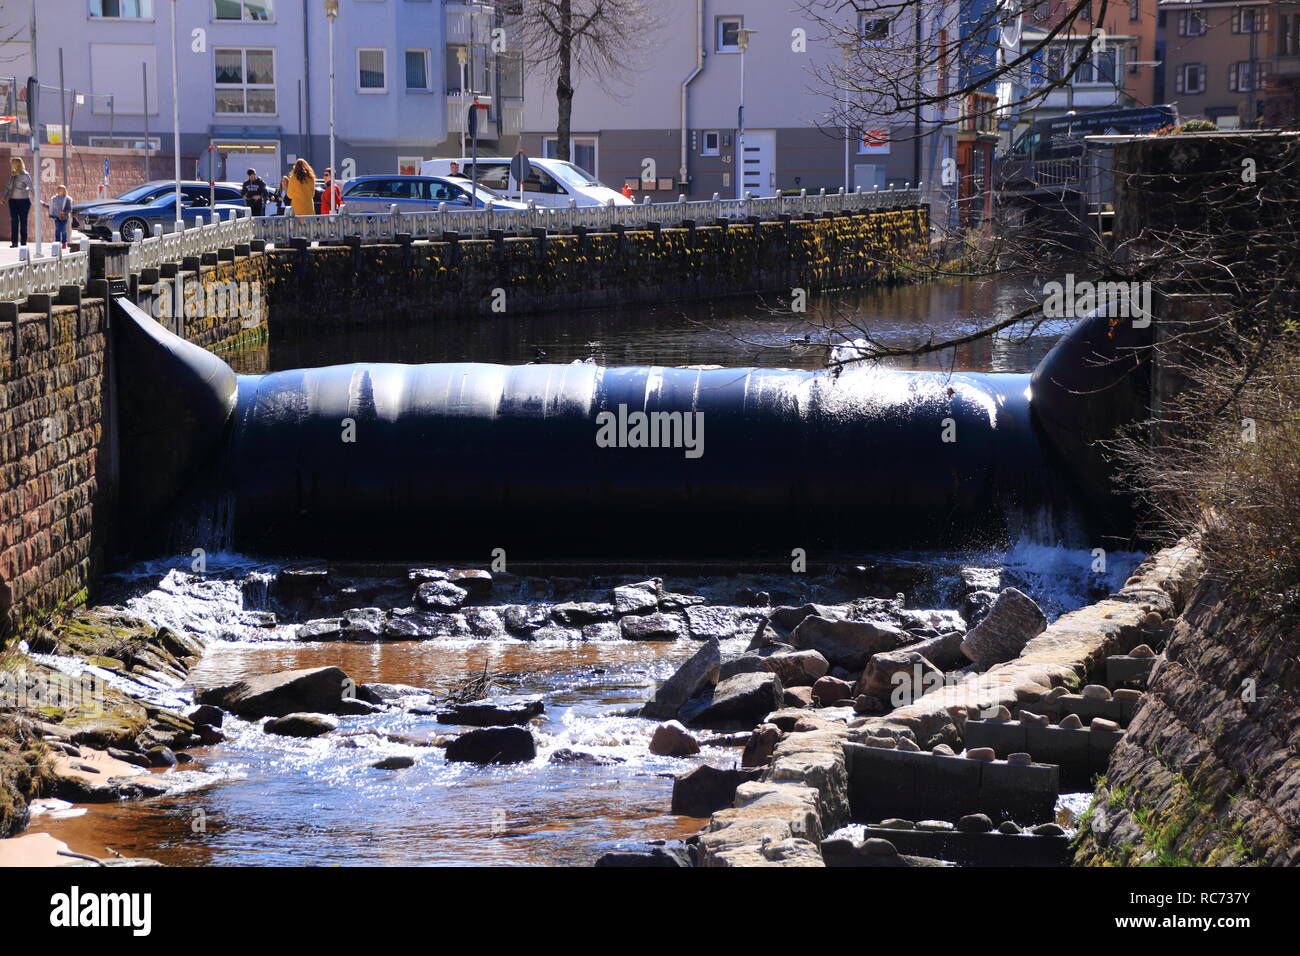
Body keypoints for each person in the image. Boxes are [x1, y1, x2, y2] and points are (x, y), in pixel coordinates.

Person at [5, 157, 34, 247]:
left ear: (17, 164)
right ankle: (14, 242)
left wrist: (35, 197)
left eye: (12, 163)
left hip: (24, 201)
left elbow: (30, 186)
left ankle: (23, 242)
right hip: (12, 201)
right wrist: (3, 197)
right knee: (14, 221)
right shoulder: (13, 174)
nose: (11, 164)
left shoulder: (25, 174)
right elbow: (8, 187)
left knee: (23, 221)